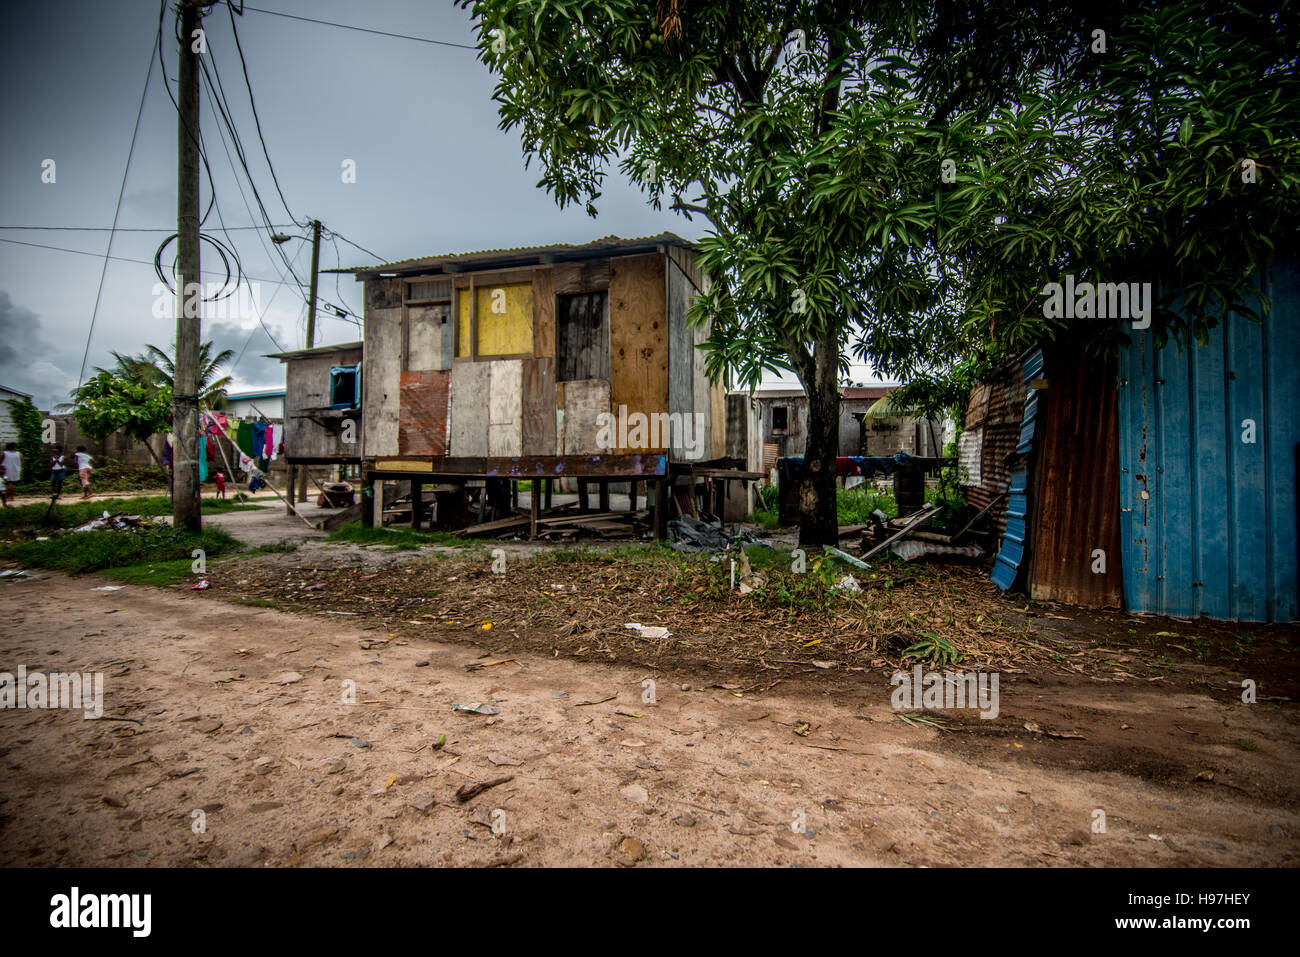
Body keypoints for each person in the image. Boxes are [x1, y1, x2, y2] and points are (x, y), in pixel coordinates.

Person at [0, 442, 20, 507]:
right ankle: (11, 496)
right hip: (15, 470)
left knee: (8, 483)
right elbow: (22, 461)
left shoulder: (5, 453)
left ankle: (7, 497)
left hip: (5, 470)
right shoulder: (18, 454)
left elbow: (0, 460)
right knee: (11, 483)